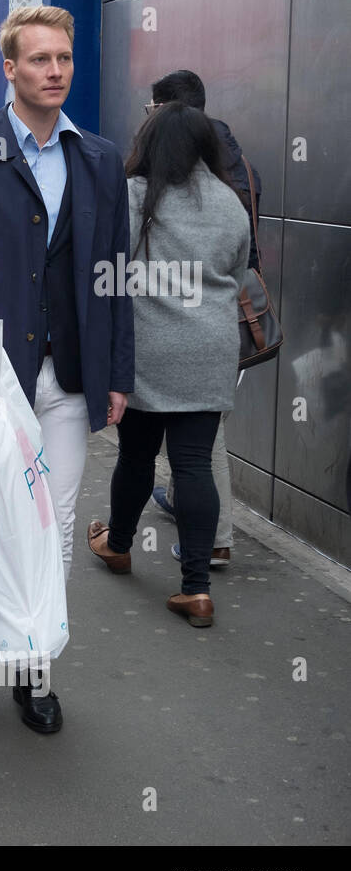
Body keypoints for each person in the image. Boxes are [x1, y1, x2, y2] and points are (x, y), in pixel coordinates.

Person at [0, 5, 133, 734]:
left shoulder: (100, 159)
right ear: (8, 69)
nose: (56, 71)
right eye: (40, 59)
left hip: (69, 376)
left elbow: (115, 275)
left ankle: (35, 664)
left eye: (64, 58)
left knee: (52, 523)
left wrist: (118, 373)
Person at [86, 102, 249, 627]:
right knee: (194, 464)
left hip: (148, 352)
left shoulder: (133, 197)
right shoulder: (230, 203)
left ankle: (120, 544)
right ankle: (197, 589)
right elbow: (238, 269)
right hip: (210, 352)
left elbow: (104, 267)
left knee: (135, 457)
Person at [145, 69, 259, 567]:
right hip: (228, 312)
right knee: (202, 437)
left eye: (152, 109)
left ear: (170, 111)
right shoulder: (237, 163)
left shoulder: (190, 170)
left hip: (199, 320)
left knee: (202, 444)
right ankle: (190, 510)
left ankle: (214, 540)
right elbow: (240, 255)